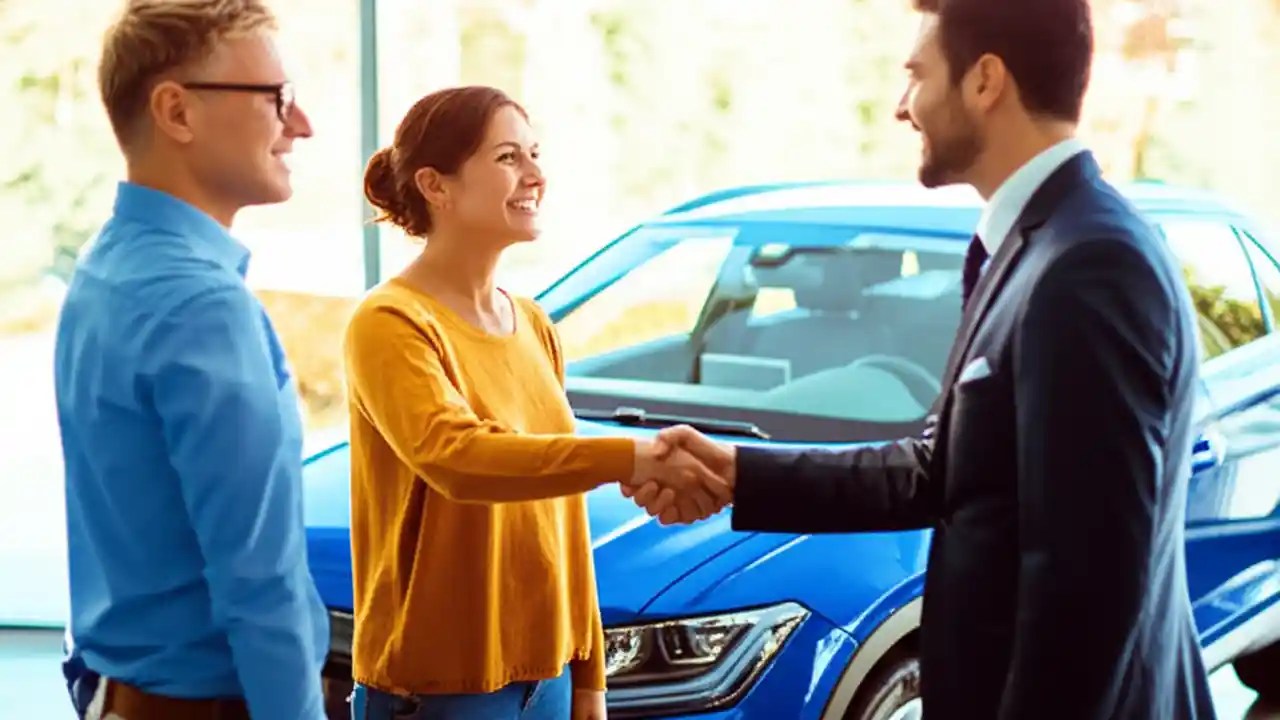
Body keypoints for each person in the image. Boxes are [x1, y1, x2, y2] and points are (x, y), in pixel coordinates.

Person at [631, 0, 1219, 718]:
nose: (902, 108)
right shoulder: (1034, 247)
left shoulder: (1089, 265)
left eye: (916, 74)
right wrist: (739, 472)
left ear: (985, 81)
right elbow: (946, 469)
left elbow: (1087, 584)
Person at [342, 85, 727, 720]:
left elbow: (563, 517)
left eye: (534, 154)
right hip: (440, 692)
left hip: (547, 683)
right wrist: (631, 457)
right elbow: (458, 458)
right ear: (436, 185)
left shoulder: (532, 322)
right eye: (507, 158)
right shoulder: (390, 322)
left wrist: (589, 679)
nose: (536, 175)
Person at [53, 1, 328, 718]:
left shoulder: (105, 268)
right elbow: (259, 584)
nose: (301, 125)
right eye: (277, 99)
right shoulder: (203, 307)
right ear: (177, 112)